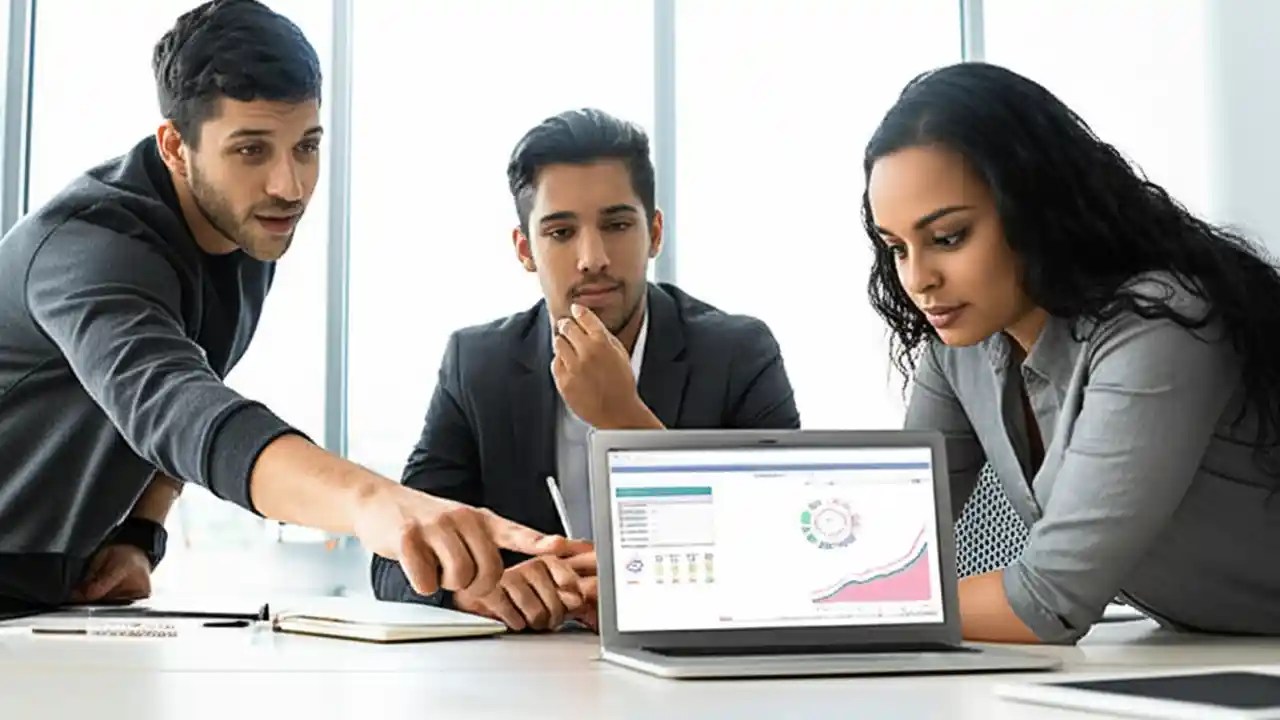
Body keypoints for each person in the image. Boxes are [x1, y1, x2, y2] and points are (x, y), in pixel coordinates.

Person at [0, 0, 565, 613]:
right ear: (175, 146)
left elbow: (192, 389)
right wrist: (375, 504)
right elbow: (171, 404)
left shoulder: (240, 230)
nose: (289, 187)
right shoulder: (91, 250)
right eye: (251, 150)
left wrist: (140, 535)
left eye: (306, 146)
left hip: (45, 588)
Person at [862, 61, 1280, 645]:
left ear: (1033, 206)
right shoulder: (958, 348)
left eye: (948, 238)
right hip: (1204, 652)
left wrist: (843, 606)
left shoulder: (1159, 322)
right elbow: (887, 550)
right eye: (897, 248)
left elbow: (1048, 602)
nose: (918, 278)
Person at [370, 108, 801, 631]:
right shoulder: (477, 364)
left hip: (686, 655)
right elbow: (395, 557)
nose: (592, 258)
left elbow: (787, 546)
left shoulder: (738, 353)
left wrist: (626, 420)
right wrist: (477, 594)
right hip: (528, 665)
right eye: (561, 232)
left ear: (655, 233)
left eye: (617, 225)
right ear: (526, 250)